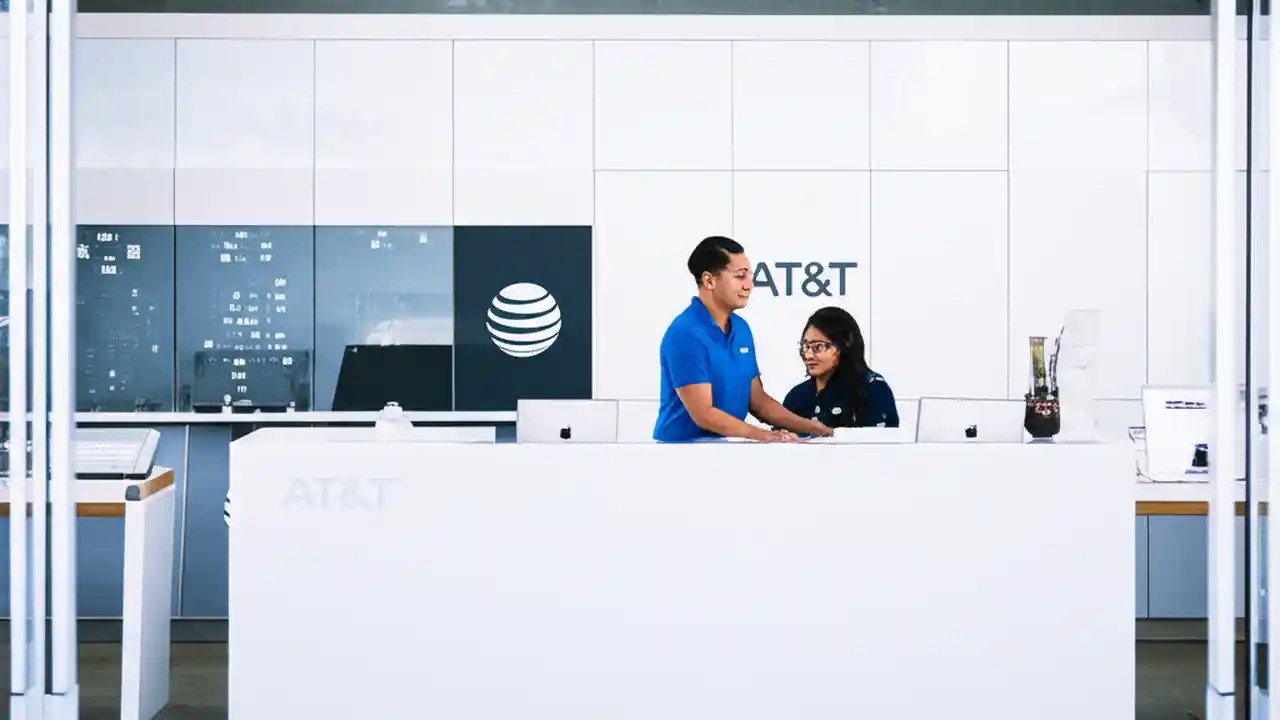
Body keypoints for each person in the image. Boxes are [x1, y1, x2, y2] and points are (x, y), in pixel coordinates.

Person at [652, 236, 834, 443]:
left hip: (723, 448)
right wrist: (766, 436)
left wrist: (812, 427)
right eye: (740, 277)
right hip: (679, 452)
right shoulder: (685, 334)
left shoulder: (741, 328)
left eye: (750, 276)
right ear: (709, 280)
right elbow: (704, 414)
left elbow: (757, 401)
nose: (749, 285)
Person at [782, 306, 899, 430]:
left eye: (818, 347)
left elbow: (884, 442)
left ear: (844, 345)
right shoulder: (797, 396)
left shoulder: (872, 388)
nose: (809, 355)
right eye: (806, 346)